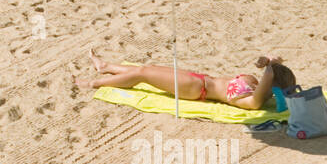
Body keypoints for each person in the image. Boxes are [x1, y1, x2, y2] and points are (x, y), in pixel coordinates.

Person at [76, 53, 295, 110]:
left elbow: (265, 81)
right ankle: (106, 68)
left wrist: (269, 68)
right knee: (147, 70)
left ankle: (94, 83)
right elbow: (265, 69)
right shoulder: (254, 84)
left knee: (143, 73)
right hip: (198, 79)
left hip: (195, 90)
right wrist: (269, 62)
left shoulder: (251, 100)